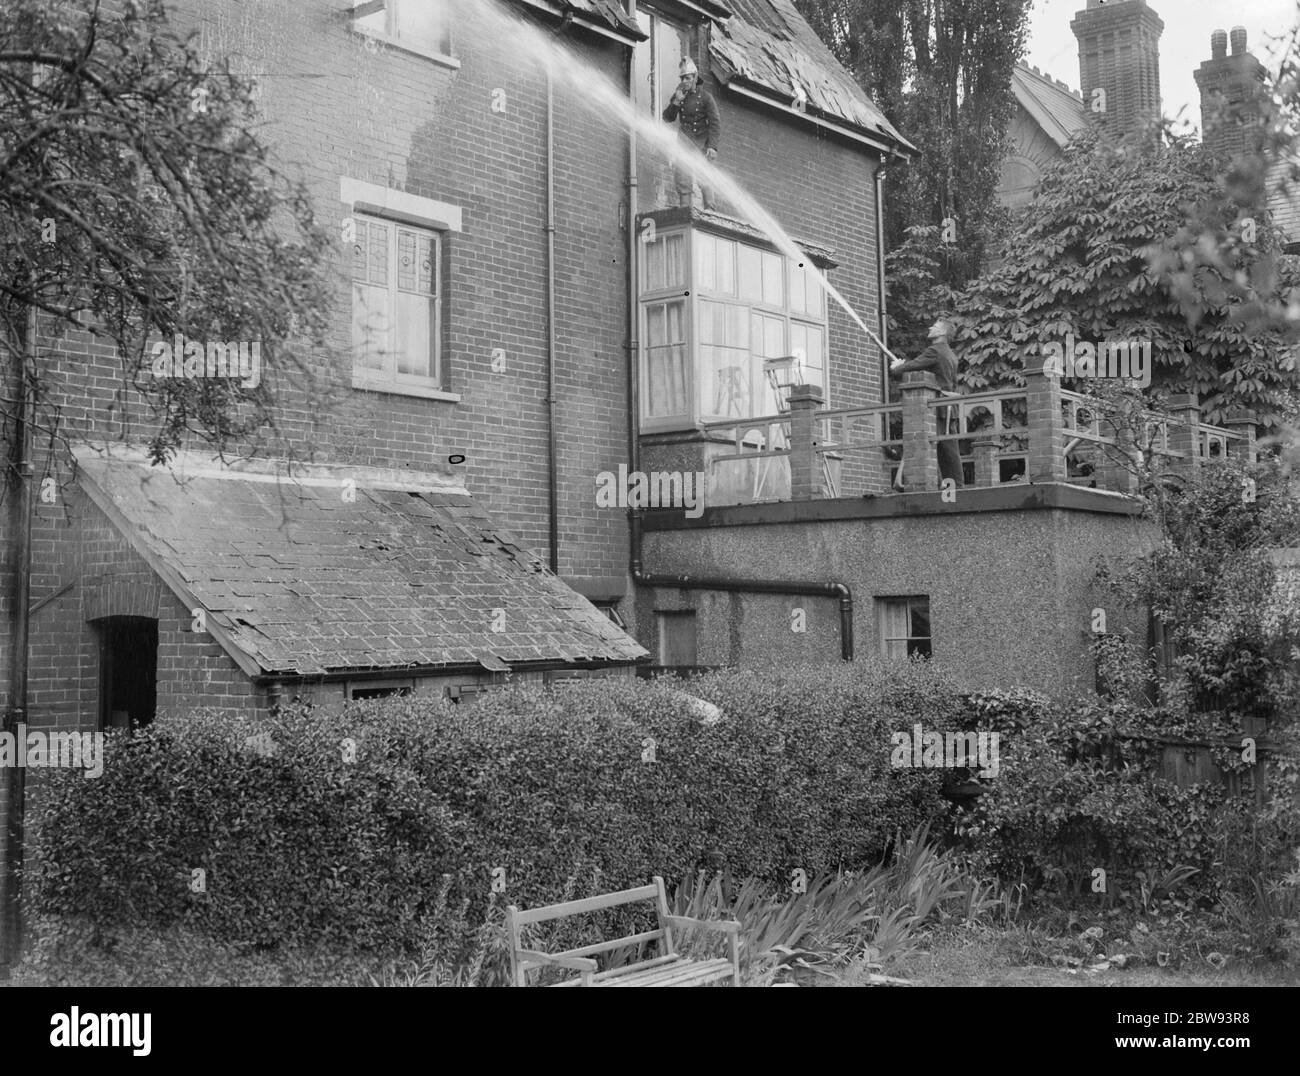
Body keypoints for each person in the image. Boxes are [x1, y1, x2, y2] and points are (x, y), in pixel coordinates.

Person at [890, 318, 965, 488]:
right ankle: (955, 488)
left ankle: (910, 483)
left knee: (932, 445)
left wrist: (897, 367)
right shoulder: (951, 355)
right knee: (948, 449)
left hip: (937, 407)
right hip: (948, 407)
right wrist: (904, 365)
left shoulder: (935, 351)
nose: (931, 327)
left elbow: (915, 365)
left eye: (935, 326)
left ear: (942, 333)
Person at [662, 56, 721, 211]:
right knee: (682, 174)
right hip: (684, 141)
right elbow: (667, 118)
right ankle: (684, 208)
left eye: (687, 78)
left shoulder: (706, 98)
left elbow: (715, 123)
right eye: (682, 78)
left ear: (695, 77)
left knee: (705, 176)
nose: (684, 81)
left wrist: (712, 147)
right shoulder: (679, 94)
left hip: (702, 142)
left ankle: (710, 209)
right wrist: (676, 102)